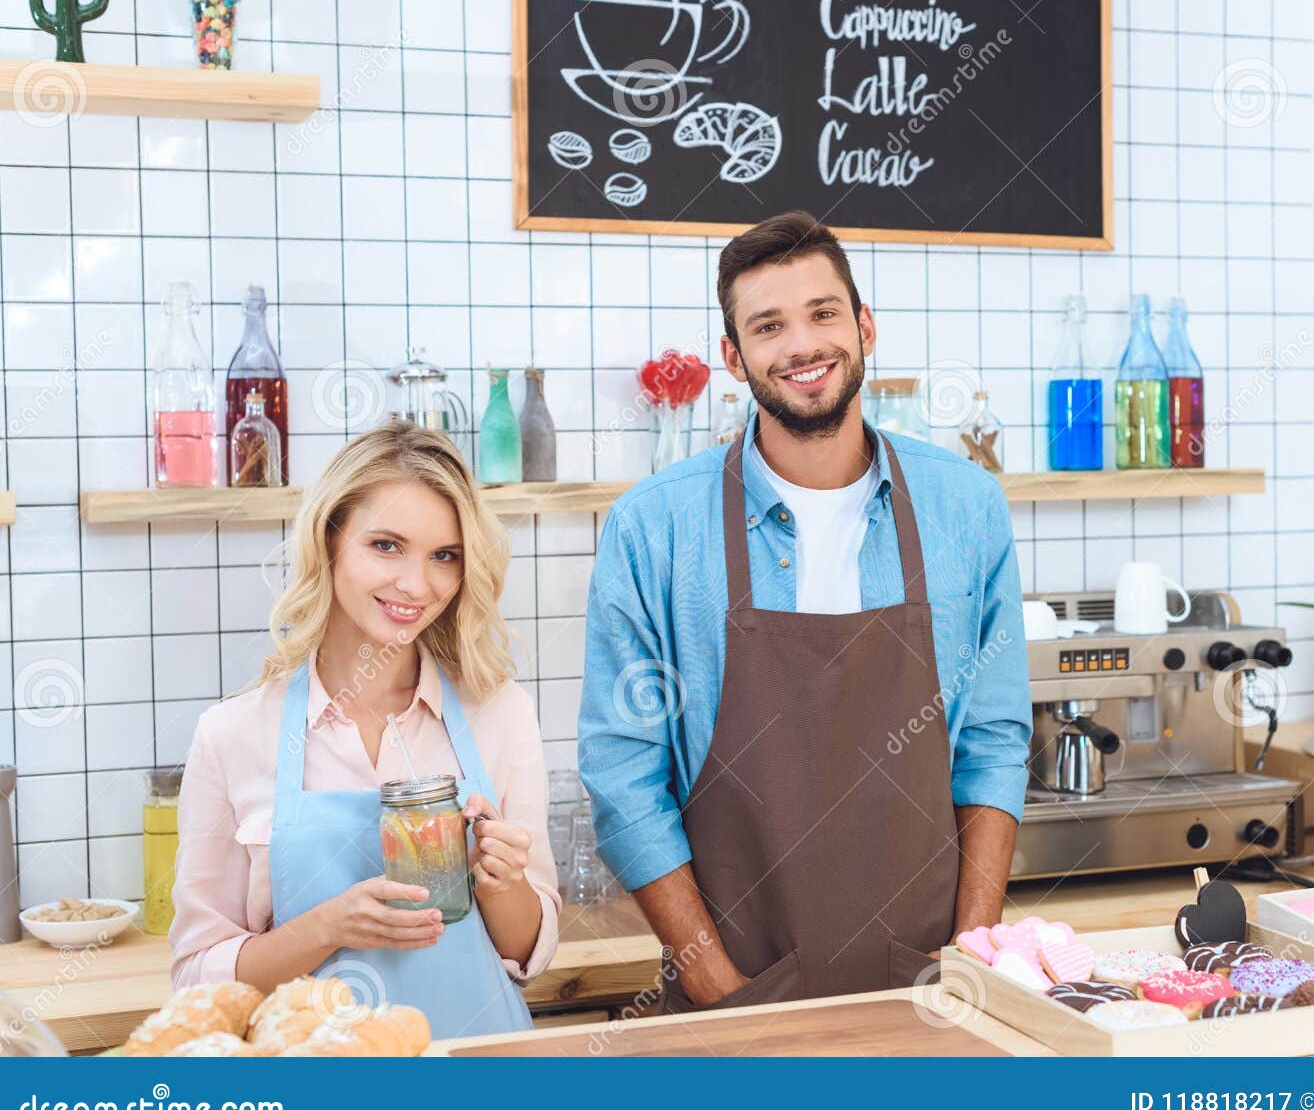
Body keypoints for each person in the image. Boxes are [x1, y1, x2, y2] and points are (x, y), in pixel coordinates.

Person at [579, 211, 1030, 1011]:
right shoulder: (653, 528)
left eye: (823, 313)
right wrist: (716, 984)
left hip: (935, 985)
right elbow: (623, 778)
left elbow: (993, 743)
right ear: (734, 356)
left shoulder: (968, 507)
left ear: (864, 326)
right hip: (732, 994)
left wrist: (972, 951)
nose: (803, 345)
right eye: (768, 325)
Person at [170, 420, 558, 1039]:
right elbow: (198, 979)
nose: (415, 584)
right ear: (330, 539)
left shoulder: (501, 712)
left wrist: (501, 880)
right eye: (386, 545)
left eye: (444, 556)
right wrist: (329, 928)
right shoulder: (233, 733)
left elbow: (529, 952)